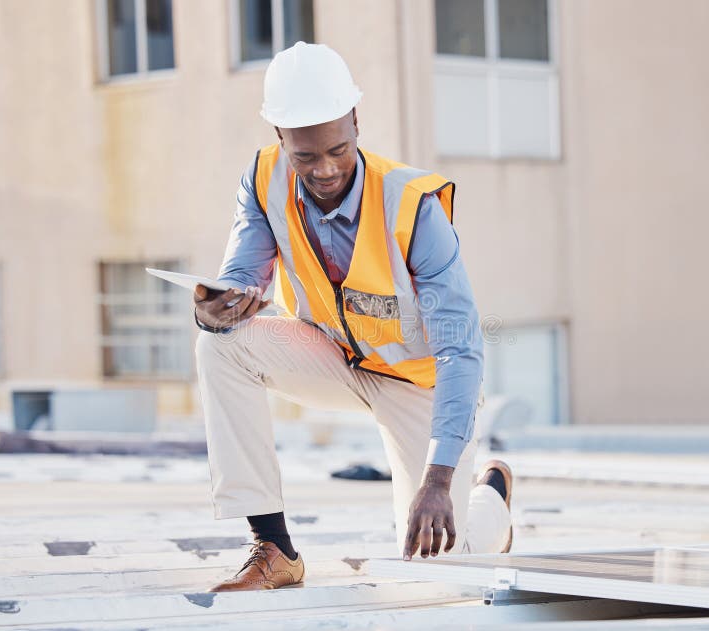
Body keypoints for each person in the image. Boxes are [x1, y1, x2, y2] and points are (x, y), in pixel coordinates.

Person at [194, 42, 513, 592]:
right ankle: (274, 547)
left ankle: (491, 502)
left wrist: (437, 479)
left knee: (438, 564)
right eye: (305, 156)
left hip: (418, 382)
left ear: (357, 123)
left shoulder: (413, 206)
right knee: (222, 344)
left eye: (338, 150)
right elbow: (242, 276)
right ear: (280, 139)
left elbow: (462, 348)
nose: (325, 170)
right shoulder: (264, 178)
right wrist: (218, 307)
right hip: (333, 357)